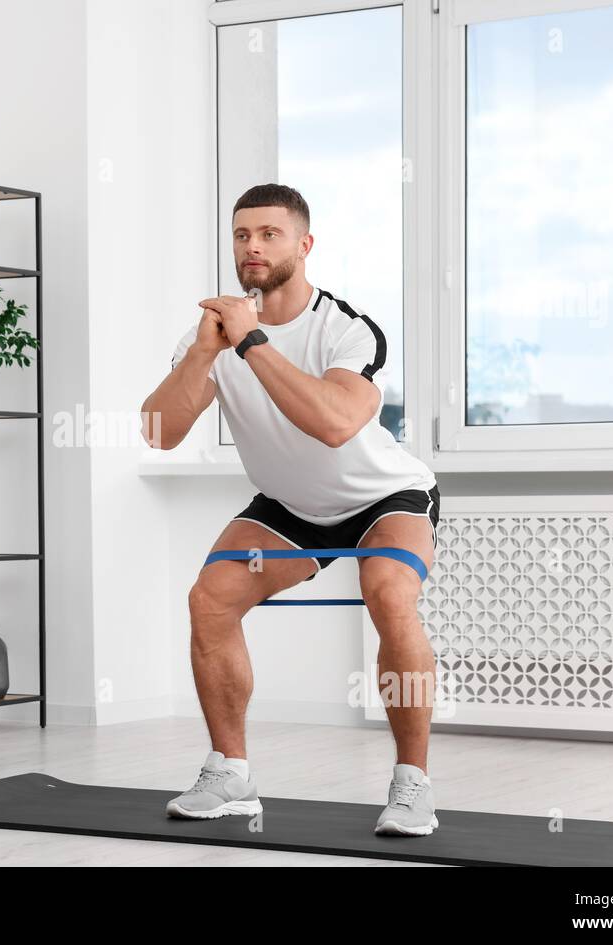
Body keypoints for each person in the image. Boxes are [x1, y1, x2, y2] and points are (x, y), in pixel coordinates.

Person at [140, 184, 441, 836]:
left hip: (380, 497)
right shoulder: (215, 335)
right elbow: (160, 432)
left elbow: (334, 424)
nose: (253, 246)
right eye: (242, 234)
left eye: (269, 234)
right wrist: (204, 352)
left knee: (389, 592)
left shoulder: (347, 329)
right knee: (210, 598)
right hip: (291, 506)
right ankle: (231, 773)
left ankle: (412, 783)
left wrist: (251, 344)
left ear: (304, 246)